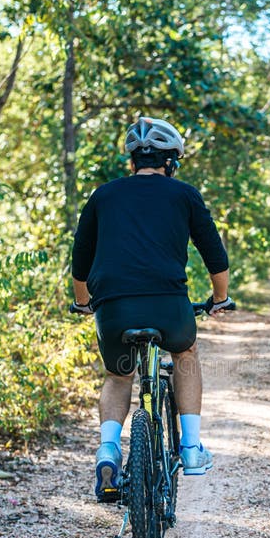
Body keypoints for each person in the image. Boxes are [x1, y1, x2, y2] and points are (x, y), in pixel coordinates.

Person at [71, 116, 234, 499]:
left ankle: (108, 449)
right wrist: (220, 298)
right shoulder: (185, 195)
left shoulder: (103, 196)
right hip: (168, 307)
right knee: (185, 353)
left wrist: (83, 303)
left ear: (133, 161)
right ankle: (191, 449)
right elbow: (215, 256)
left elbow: (80, 259)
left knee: (118, 375)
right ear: (171, 161)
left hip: (114, 310)